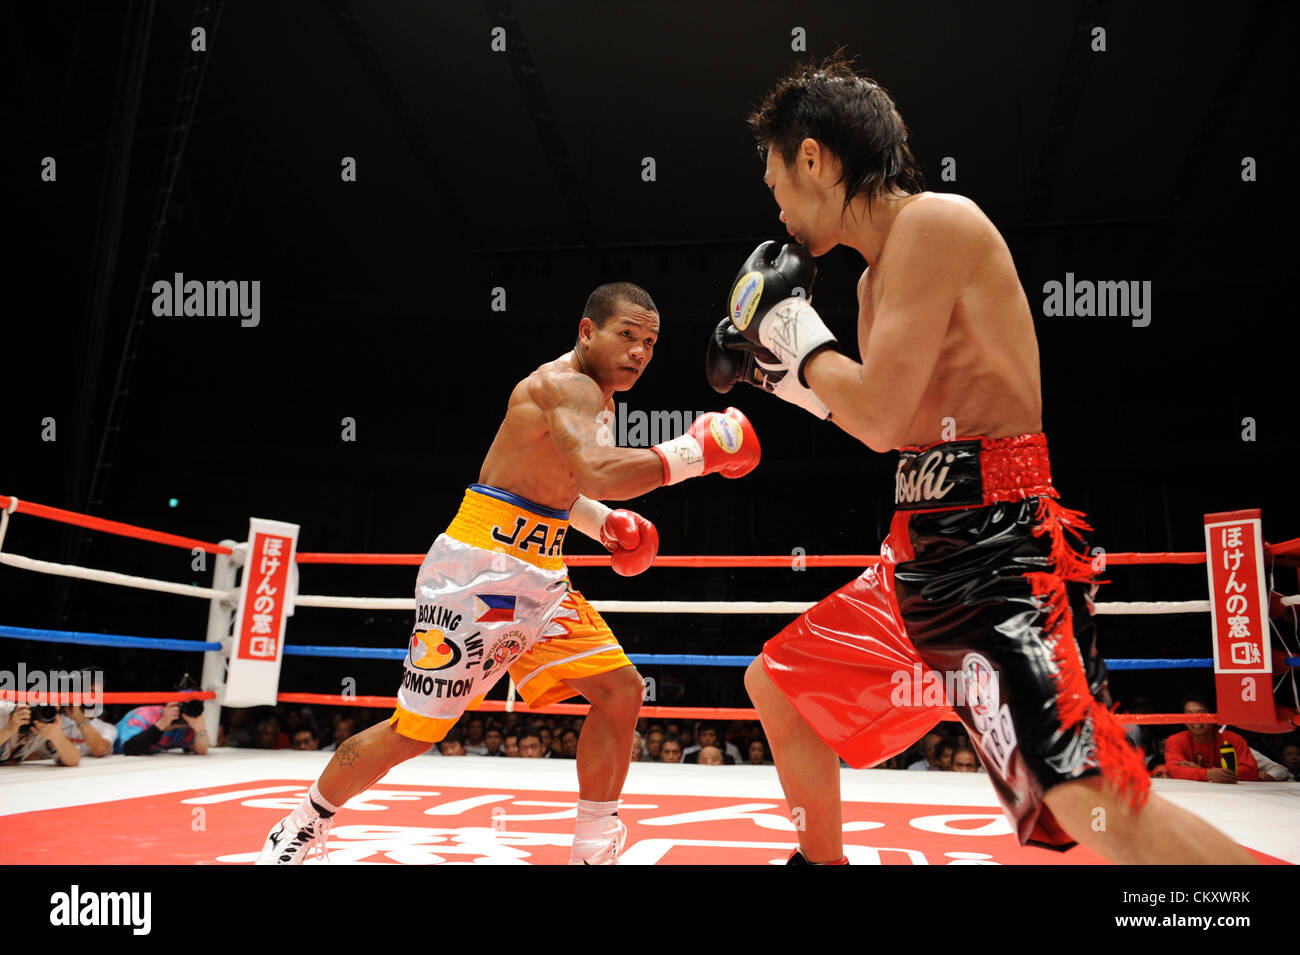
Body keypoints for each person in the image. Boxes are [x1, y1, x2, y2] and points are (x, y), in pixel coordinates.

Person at [726, 55, 1254, 864]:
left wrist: (789, 333)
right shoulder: (871, 287)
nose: (778, 208)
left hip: (999, 547)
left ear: (813, 157)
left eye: (776, 182)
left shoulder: (938, 223)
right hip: (919, 553)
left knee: (1084, 797)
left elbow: (877, 414)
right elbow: (892, 426)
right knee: (781, 684)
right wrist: (784, 372)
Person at [257, 282, 760, 865]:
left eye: (649, 341)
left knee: (620, 692)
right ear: (586, 330)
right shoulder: (562, 385)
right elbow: (598, 472)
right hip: (481, 577)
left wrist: (602, 526)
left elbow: (553, 485)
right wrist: (696, 453)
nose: (639, 353)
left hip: (541, 574)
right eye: (626, 336)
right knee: (414, 733)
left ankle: (594, 844)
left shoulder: (594, 395)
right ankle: (302, 823)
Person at [1163, 696, 1262, 783]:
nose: (1195, 719)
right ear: (1183, 720)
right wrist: (1207, 773)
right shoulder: (1175, 740)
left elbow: (1251, 772)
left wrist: (1205, 771)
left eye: (1201, 714)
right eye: (1189, 714)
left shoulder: (1233, 739)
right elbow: (1174, 770)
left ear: (1213, 716)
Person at [116, 702, 210, 756]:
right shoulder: (144, 715)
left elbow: (201, 751)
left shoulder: (188, 726)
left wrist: (200, 730)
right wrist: (162, 724)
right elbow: (129, 749)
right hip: (114, 756)